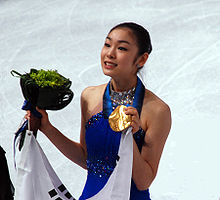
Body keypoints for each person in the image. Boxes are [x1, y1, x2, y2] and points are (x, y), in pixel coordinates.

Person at [27, 22, 171, 199]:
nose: (110, 53)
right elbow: (86, 158)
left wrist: (127, 137)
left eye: (122, 49)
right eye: (107, 44)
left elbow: (143, 182)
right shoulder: (90, 96)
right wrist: (47, 128)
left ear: (141, 59)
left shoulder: (157, 110)